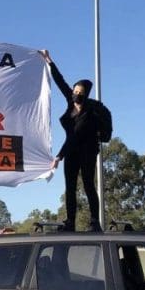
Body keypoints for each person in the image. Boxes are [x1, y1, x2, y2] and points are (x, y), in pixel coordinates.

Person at [40, 49, 108, 232]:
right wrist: (49, 61)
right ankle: (70, 222)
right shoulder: (71, 102)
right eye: (75, 91)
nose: (76, 94)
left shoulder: (88, 113)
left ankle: (95, 222)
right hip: (72, 152)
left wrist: (59, 156)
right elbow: (60, 81)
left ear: (85, 95)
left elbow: (75, 136)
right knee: (69, 187)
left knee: (88, 185)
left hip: (87, 151)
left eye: (80, 92)